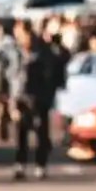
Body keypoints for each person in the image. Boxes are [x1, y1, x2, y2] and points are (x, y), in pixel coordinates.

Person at [10, 22, 56, 180]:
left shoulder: (43, 50)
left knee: (41, 132)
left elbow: (51, 74)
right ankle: (20, 164)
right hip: (21, 97)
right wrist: (11, 99)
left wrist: (48, 96)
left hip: (39, 97)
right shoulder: (16, 50)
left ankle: (40, 165)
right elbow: (12, 75)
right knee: (21, 132)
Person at [0, 23, 21, 143]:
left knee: (2, 103)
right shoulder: (13, 44)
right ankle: (5, 129)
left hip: (2, 78)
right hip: (8, 78)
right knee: (7, 104)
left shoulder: (0, 44)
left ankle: (4, 129)